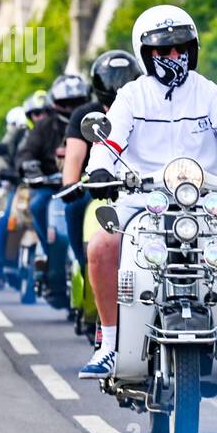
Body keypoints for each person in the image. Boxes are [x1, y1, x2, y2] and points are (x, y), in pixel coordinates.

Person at [80, 4, 217, 385]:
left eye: (180, 48)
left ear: (193, 49)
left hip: (204, 197)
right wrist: (99, 169)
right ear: (145, 54)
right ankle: (111, 346)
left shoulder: (208, 92)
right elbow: (111, 140)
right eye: (163, 51)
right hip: (141, 197)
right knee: (101, 246)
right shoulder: (132, 96)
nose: (174, 57)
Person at [61, 50, 141, 273]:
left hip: (143, 183)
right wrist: (70, 185)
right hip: (99, 184)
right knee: (73, 207)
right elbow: (74, 156)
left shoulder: (148, 110)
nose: (117, 87)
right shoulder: (85, 115)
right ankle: (84, 267)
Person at [17, 74, 91, 309]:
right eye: (66, 103)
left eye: (76, 102)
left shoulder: (92, 122)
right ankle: (48, 251)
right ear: (53, 103)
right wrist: (31, 167)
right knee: (37, 205)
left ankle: (87, 263)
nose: (71, 108)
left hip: (85, 186)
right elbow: (27, 152)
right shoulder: (44, 126)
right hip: (50, 188)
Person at [0, 103, 37, 289]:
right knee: (4, 221)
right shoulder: (13, 137)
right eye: (34, 114)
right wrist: (6, 173)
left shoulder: (46, 130)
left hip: (42, 186)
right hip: (19, 186)